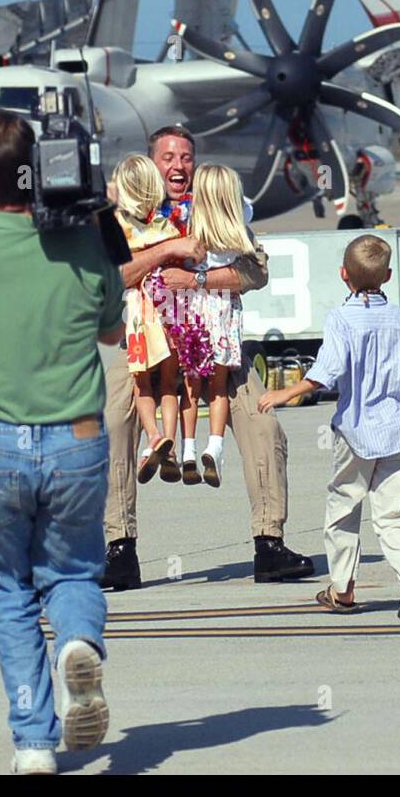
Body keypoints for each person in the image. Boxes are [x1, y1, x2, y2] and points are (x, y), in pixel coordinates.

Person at [0, 106, 124, 775]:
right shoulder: (82, 244)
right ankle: (77, 642)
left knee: (9, 589)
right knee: (71, 570)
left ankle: (34, 742)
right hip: (78, 435)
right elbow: (111, 330)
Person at [101, 125, 314, 591]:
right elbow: (113, 277)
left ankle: (269, 545)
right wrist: (167, 250)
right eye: (168, 157)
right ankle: (120, 550)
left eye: (186, 158)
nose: (178, 166)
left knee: (264, 426)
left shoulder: (214, 207)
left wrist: (197, 280)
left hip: (212, 343)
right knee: (112, 421)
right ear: (150, 163)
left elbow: (254, 271)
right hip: (149, 342)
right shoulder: (129, 217)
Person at [258, 234, 400, 619]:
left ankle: (343, 589)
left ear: (343, 275)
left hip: (356, 431)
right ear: (387, 276)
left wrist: (284, 394)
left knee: (343, 507)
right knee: (394, 512)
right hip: (399, 429)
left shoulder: (341, 318)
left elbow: (328, 371)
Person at [177, 164, 255, 488]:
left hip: (195, 310)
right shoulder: (237, 228)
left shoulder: (192, 226)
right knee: (219, 387)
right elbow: (248, 206)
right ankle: (216, 446)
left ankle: (188, 450)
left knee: (191, 387)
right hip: (224, 310)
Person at [110, 155, 182, 484]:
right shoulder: (166, 226)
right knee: (169, 383)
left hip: (140, 315)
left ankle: (153, 436)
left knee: (143, 384)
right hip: (172, 312)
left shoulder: (119, 227)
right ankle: (171, 441)